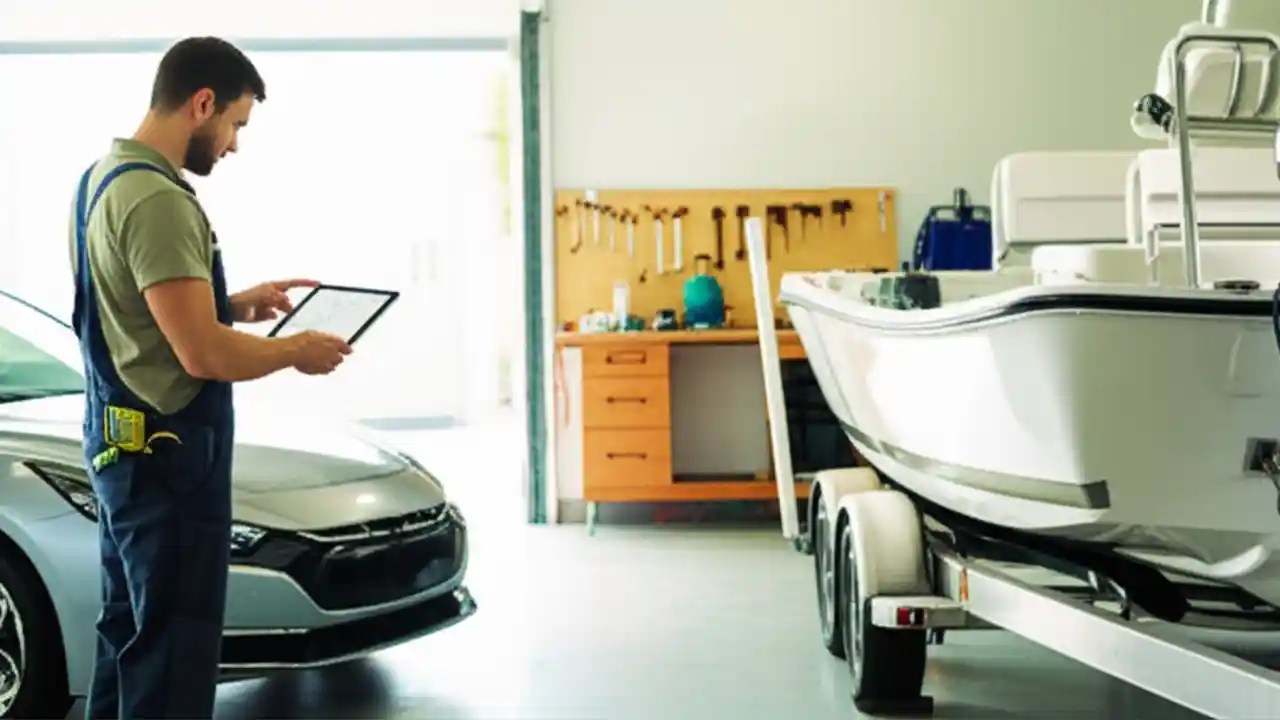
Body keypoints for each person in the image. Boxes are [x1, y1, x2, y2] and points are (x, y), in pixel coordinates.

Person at [68, 37, 352, 718]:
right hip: (167, 462)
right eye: (235, 123)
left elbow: (136, 308)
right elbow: (203, 355)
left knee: (130, 635)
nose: (233, 145)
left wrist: (235, 304)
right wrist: (296, 350)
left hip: (121, 449)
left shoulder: (101, 178)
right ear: (202, 104)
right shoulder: (157, 200)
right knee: (173, 652)